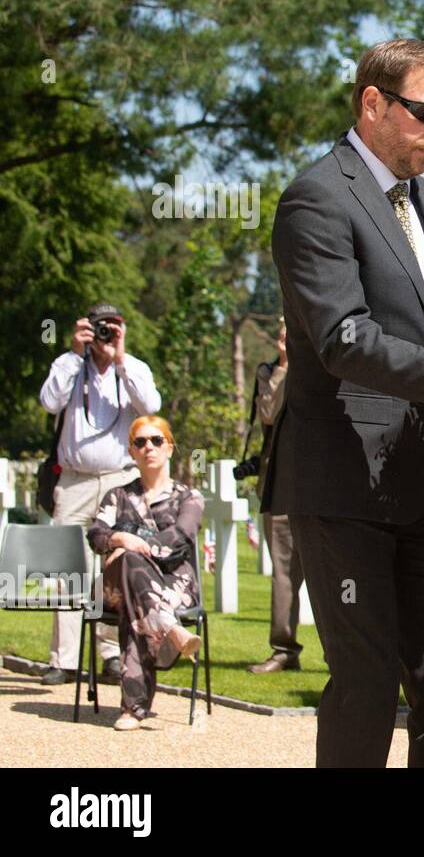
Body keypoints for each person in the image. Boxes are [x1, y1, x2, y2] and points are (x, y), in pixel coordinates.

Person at [265, 39, 424, 768]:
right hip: (343, 482)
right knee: (368, 685)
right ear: (373, 103)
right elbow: (345, 339)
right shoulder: (316, 196)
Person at [37, 302, 161, 686]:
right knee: (67, 569)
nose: (106, 334)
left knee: (113, 568)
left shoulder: (134, 367)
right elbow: (48, 401)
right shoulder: (70, 366)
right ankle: (65, 659)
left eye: (113, 327)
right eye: (100, 327)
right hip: (74, 480)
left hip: (117, 480)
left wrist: (120, 357)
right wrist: (75, 353)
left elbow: (152, 406)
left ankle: (109, 653)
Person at [85, 416, 204, 731]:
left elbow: (182, 536)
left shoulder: (188, 498)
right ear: (131, 451)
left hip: (174, 584)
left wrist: (130, 546)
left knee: (133, 577)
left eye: (156, 440)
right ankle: (169, 626)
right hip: (117, 588)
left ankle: (132, 709)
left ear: (170, 448)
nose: (148, 447)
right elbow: (95, 534)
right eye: (140, 442)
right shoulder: (117, 496)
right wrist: (118, 539)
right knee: (130, 570)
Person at [247, 317, 305, 674]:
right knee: (283, 573)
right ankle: (284, 650)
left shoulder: (328, 363)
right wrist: (285, 363)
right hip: (281, 486)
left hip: (325, 488)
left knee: (334, 576)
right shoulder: (269, 372)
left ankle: (343, 657)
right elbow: (267, 414)